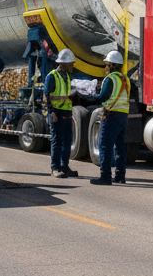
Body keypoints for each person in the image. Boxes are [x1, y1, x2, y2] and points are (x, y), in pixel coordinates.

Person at [80, 51, 130, 185]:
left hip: (111, 115)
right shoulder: (125, 79)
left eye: (107, 64)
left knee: (105, 146)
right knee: (120, 147)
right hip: (123, 116)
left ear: (113, 65)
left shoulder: (110, 78)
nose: (105, 67)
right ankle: (120, 176)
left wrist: (88, 97)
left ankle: (105, 176)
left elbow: (103, 97)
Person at [44, 48, 78, 178]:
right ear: (64, 63)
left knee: (67, 140)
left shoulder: (67, 76)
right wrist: (51, 111)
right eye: (71, 63)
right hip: (56, 112)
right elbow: (46, 95)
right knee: (57, 140)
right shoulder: (52, 76)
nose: (73, 65)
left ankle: (65, 166)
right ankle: (55, 167)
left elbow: (65, 94)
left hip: (66, 111)